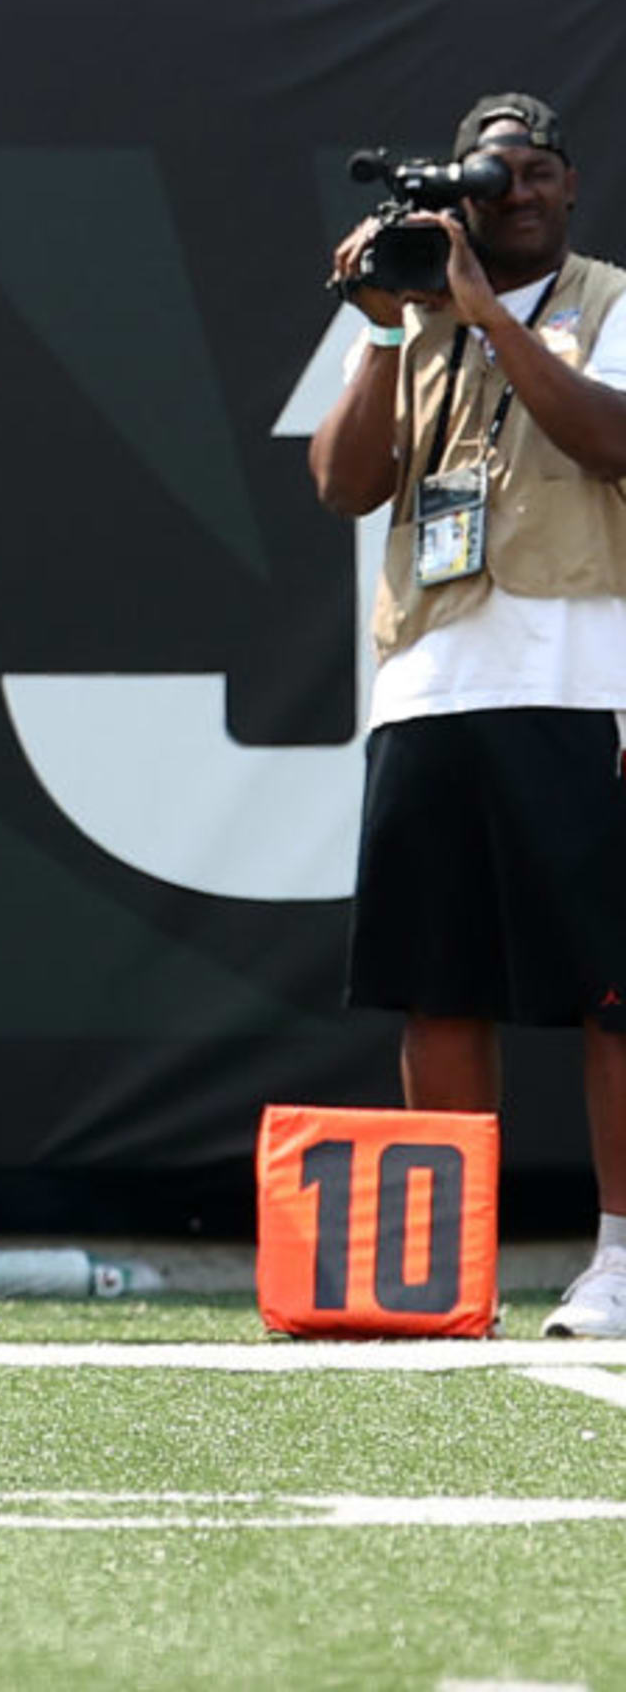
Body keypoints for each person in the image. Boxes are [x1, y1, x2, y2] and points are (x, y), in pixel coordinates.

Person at [312, 94, 626, 1348]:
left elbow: (608, 440)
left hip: (581, 677)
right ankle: (443, 1269)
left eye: (539, 173)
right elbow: (343, 483)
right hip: (430, 682)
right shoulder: (418, 313)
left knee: (610, 988)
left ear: (568, 186)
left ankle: (619, 1258)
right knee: (438, 987)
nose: (521, 195)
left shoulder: (607, 300)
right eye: (497, 180)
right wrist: (386, 330)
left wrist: (491, 319)